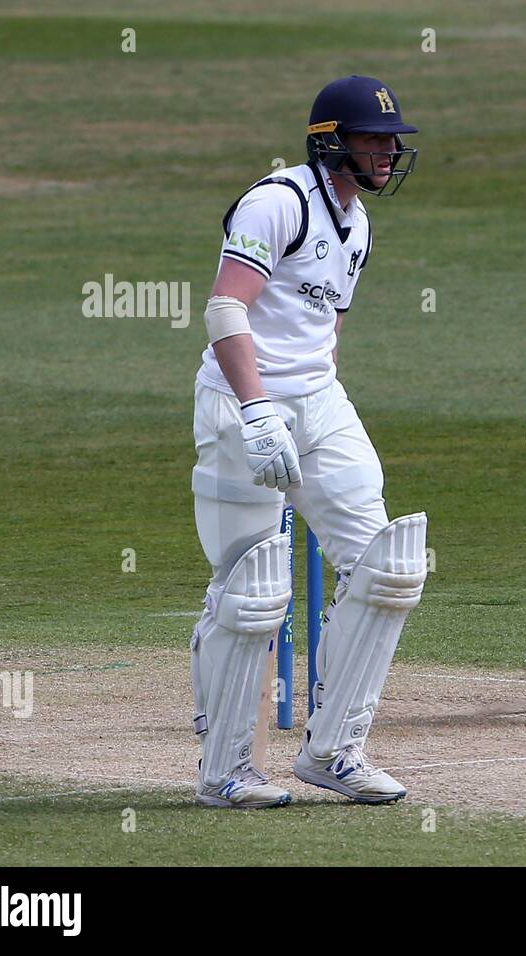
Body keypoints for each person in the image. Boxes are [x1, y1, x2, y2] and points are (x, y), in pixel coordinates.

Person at [190, 75, 428, 809]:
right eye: (373, 138)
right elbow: (227, 305)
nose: (388, 151)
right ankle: (226, 769)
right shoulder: (278, 201)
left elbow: (327, 326)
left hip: (321, 404)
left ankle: (334, 750)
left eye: (393, 140)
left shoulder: (358, 223)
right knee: (253, 588)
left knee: (388, 570)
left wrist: (311, 403)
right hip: (242, 402)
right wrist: (257, 411)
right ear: (331, 141)